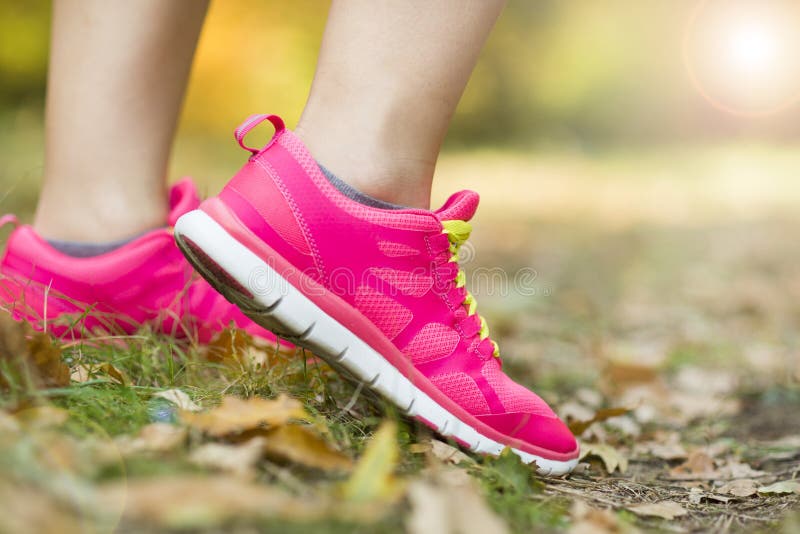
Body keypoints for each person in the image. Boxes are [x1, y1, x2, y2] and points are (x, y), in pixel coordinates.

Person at [0, 0, 579, 474]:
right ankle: (357, 184)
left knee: (102, 217)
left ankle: (92, 238)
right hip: (337, 225)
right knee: (354, 176)